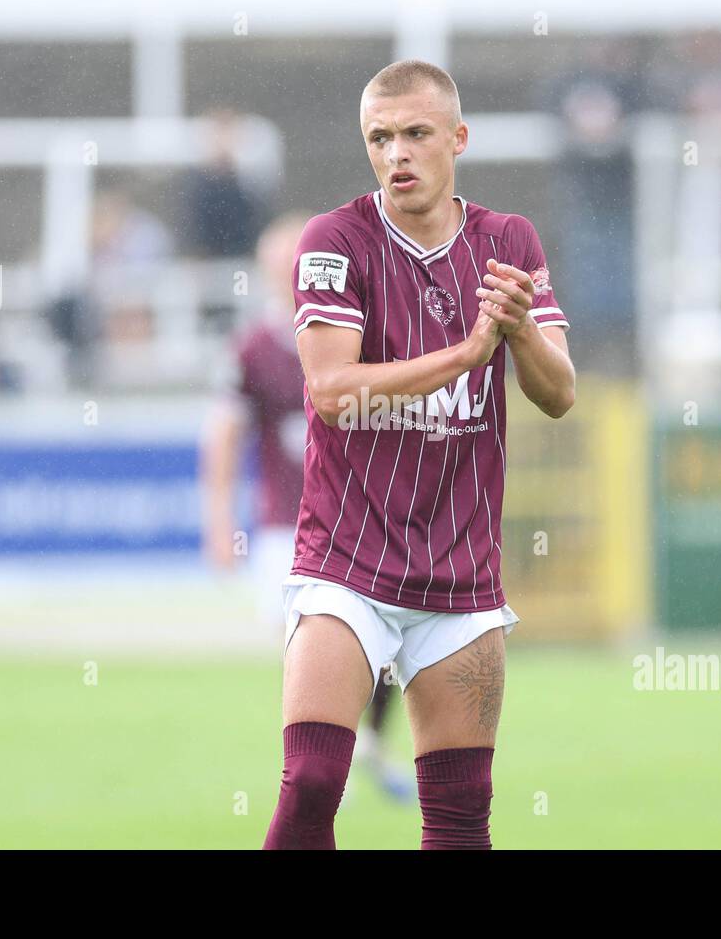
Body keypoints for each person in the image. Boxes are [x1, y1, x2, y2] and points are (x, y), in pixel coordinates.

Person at [263, 59, 576, 850]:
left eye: (415, 134)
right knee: (311, 785)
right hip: (347, 563)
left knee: (462, 819)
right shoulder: (334, 241)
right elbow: (334, 391)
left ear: (458, 139)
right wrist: (468, 354)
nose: (396, 153)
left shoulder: (508, 242)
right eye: (379, 137)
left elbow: (558, 392)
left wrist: (520, 333)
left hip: (460, 577)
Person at [200, 212, 414, 803]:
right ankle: (319, 769)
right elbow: (224, 434)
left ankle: (360, 746)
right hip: (284, 529)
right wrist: (219, 522)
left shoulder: (363, 337)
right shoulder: (255, 347)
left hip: (359, 520)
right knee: (308, 651)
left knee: (381, 647)